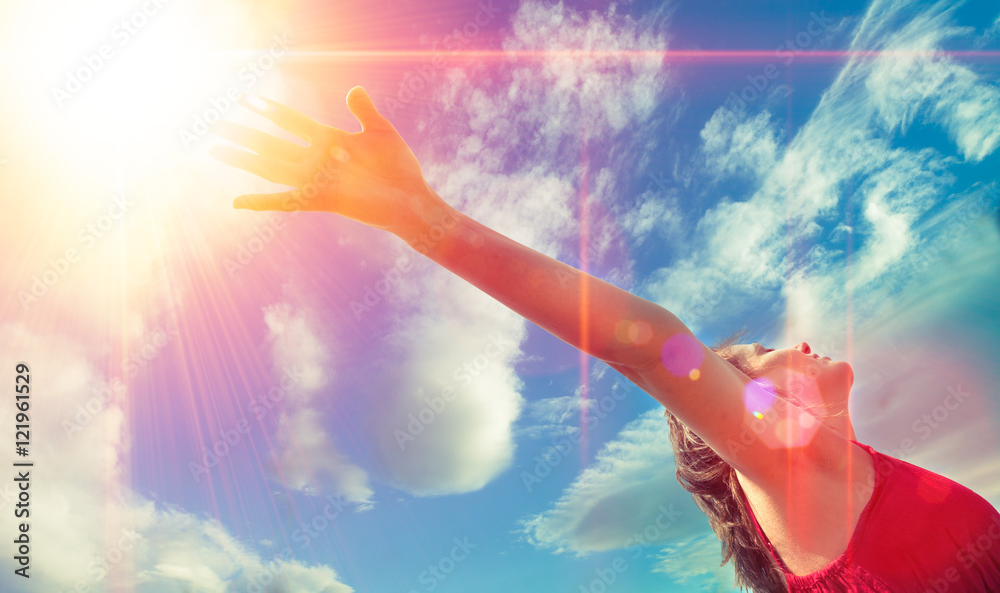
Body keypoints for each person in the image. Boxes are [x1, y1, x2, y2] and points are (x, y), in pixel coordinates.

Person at [210, 87, 1000, 592]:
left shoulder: (869, 475)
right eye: (755, 362)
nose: (788, 347)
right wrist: (428, 224)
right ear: (741, 434)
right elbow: (650, 345)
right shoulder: (794, 473)